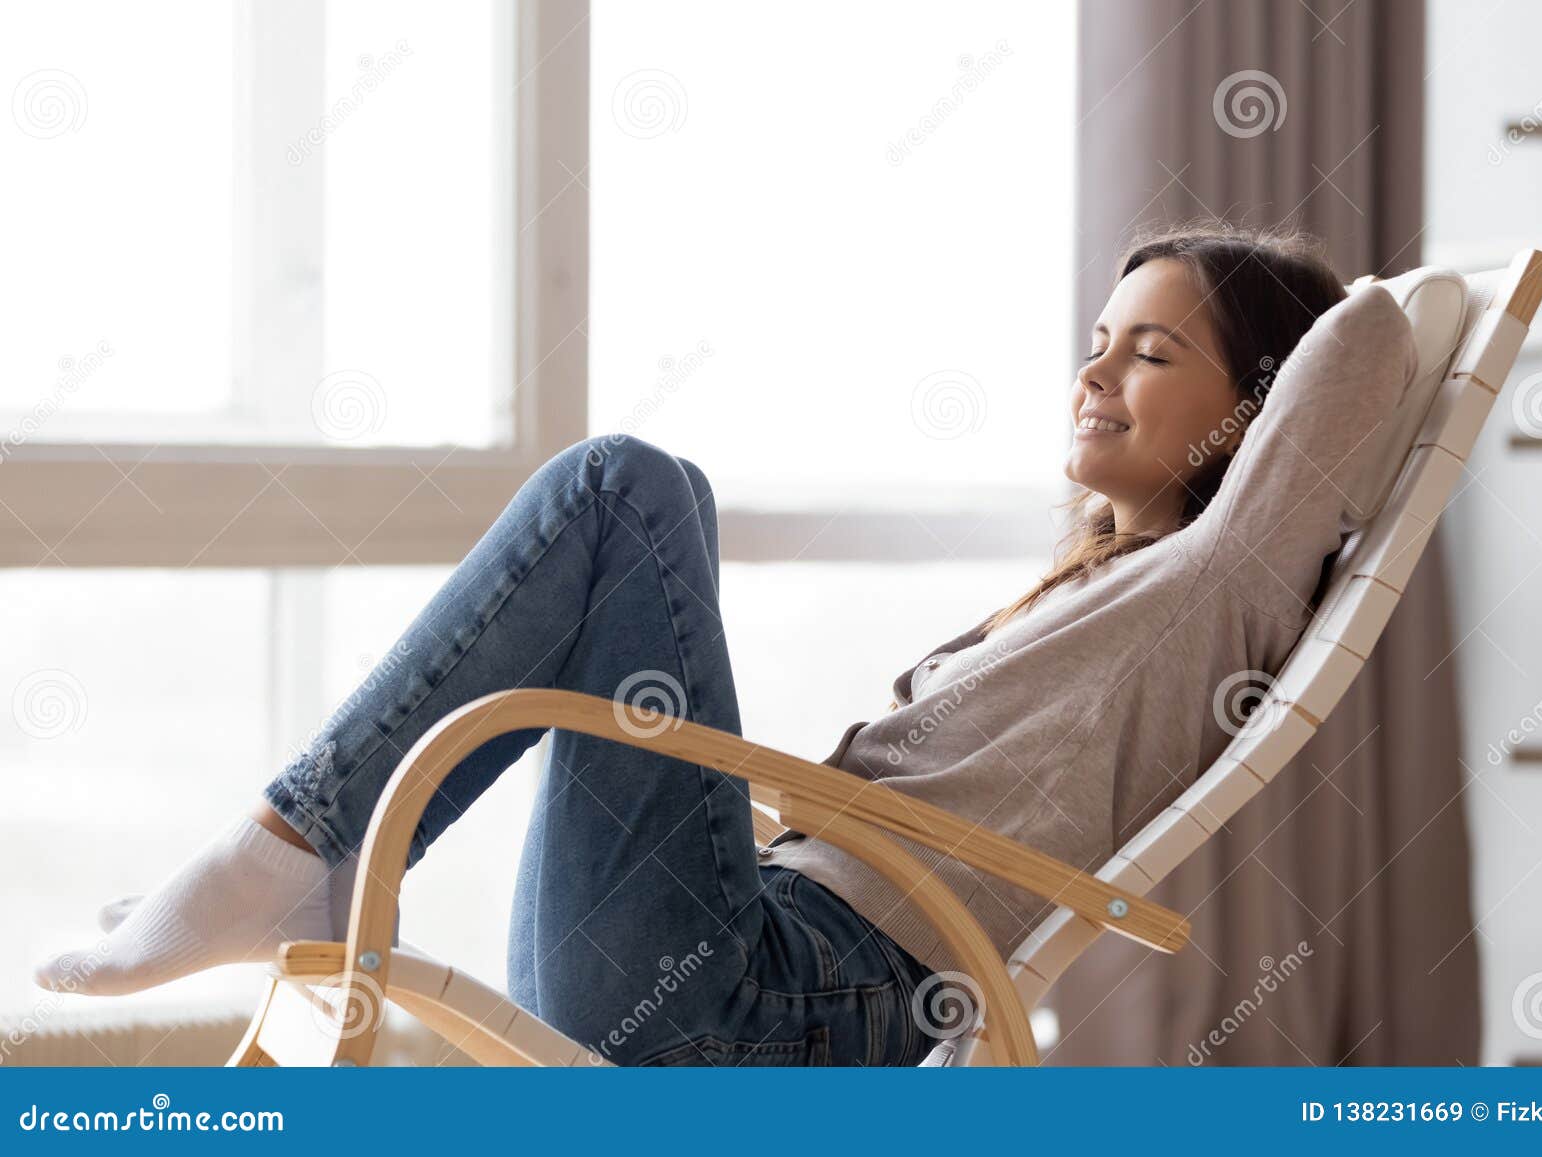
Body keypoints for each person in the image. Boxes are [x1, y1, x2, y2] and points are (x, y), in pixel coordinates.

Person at [33, 220, 1417, 1066]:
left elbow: (1370, 339)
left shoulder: (1217, 579)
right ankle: (303, 862)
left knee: (620, 488)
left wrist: (1405, 288)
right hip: (734, 966)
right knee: (661, 495)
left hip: (775, 1009)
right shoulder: (1097, 592)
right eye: (1098, 339)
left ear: (1261, 415)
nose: (1096, 371)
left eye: (1154, 354)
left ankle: (283, 853)